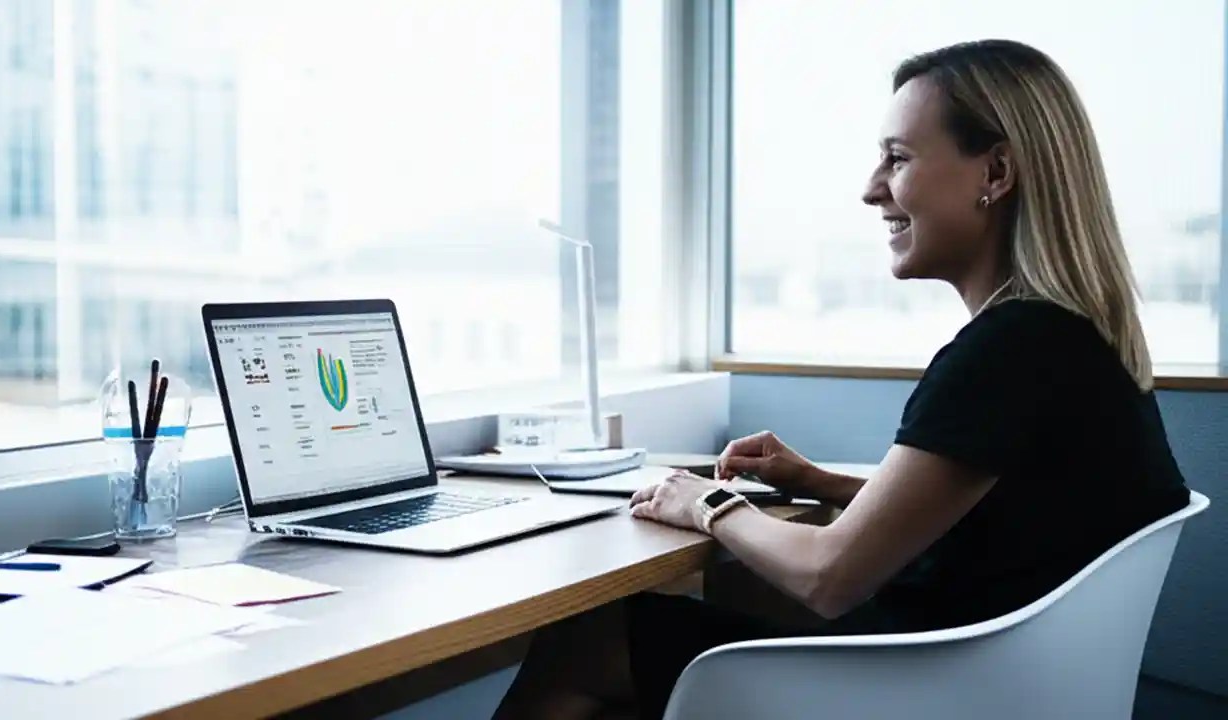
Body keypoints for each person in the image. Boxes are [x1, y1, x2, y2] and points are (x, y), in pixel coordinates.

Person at [492, 39, 1190, 720]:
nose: (870, 188)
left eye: (897, 157)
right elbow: (1008, 516)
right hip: (1000, 682)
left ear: (995, 172)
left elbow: (829, 577)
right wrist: (819, 484)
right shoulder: (1075, 337)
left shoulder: (1010, 349)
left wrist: (703, 502)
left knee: (588, 643)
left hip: (928, 688)